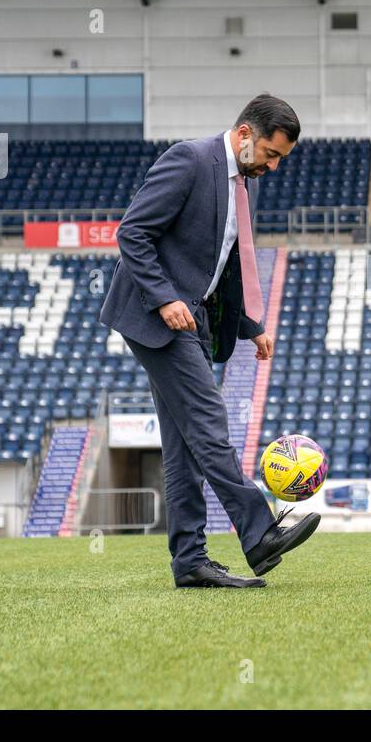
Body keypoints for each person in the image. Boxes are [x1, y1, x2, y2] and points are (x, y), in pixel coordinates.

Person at [99, 93, 320, 588]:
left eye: (281, 157)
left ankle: (190, 562)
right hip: (156, 316)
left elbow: (229, 265)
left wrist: (250, 325)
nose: (274, 165)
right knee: (208, 418)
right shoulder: (189, 160)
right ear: (245, 134)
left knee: (181, 448)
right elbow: (132, 232)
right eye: (270, 153)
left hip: (194, 319)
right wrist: (162, 298)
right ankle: (259, 532)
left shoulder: (246, 183)